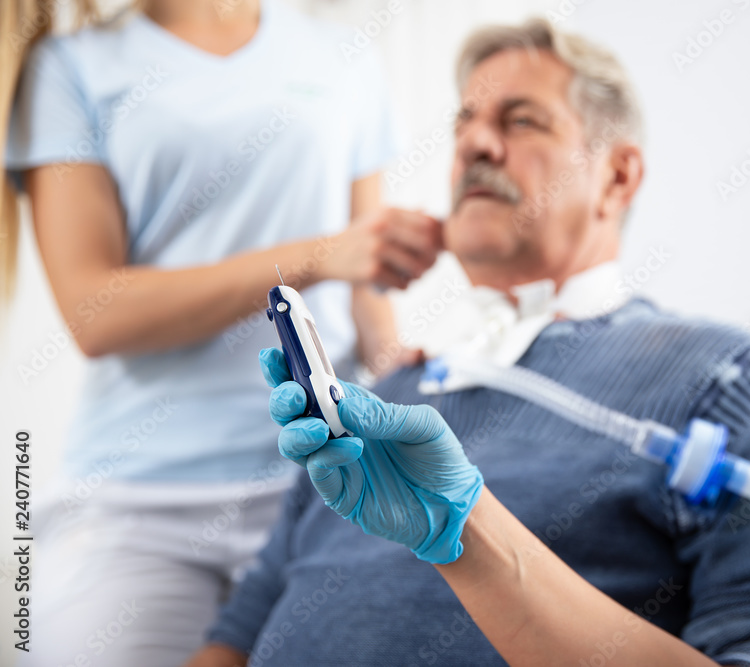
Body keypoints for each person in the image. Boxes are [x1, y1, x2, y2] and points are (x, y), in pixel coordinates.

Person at [243, 2, 750, 666]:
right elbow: (240, 627)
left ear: (618, 175)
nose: (475, 145)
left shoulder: (716, 373)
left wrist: (465, 527)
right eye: (464, 124)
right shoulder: (384, 404)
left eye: (519, 120)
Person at [2, 0, 440, 664]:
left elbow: (366, 284)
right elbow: (95, 310)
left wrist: (393, 360)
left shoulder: (343, 56)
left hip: (324, 486)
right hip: (138, 501)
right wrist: (314, 255)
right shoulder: (72, 68)